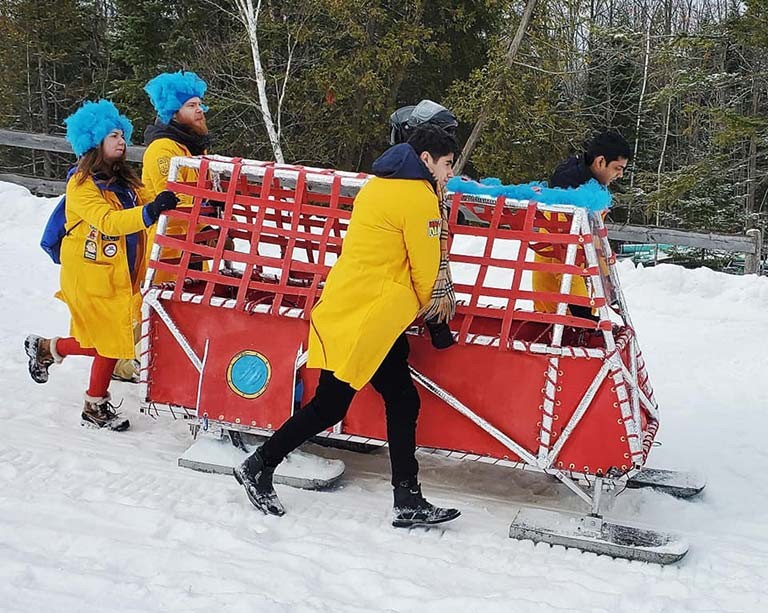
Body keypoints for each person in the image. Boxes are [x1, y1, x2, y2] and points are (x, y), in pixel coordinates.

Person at [234, 124, 462, 528]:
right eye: (447, 165)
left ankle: (407, 498)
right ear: (425, 160)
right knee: (331, 404)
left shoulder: (380, 185)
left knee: (401, 399)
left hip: (360, 305)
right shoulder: (419, 197)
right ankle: (259, 465)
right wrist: (441, 309)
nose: (449, 174)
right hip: (371, 314)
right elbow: (428, 271)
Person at [24, 99, 179, 430]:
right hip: (92, 278)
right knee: (112, 340)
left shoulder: (124, 180)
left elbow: (147, 197)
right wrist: (150, 212)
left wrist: (169, 198)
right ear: (94, 142)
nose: (121, 141)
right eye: (113, 136)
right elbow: (107, 221)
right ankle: (94, 406)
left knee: (103, 340)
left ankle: (46, 348)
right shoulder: (81, 185)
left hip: (120, 275)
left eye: (122, 134)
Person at [532, 130, 631, 319]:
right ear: (600, 162)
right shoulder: (568, 200)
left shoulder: (589, 193)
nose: (620, 175)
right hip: (558, 313)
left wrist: (607, 283)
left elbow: (592, 242)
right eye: (618, 168)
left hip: (569, 305)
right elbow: (562, 257)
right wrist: (583, 313)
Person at [142, 70, 211, 282]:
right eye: (191, 106)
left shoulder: (193, 148)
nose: (199, 110)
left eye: (200, 104)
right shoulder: (162, 150)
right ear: (173, 112)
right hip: (169, 249)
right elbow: (173, 199)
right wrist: (207, 226)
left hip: (194, 244)